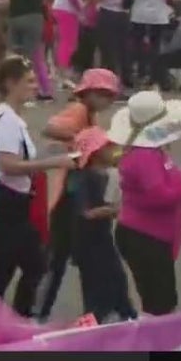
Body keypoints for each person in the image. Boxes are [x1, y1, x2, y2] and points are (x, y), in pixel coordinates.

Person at [0, 56, 77, 317]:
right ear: (11, 83)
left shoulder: (7, 118)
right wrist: (53, 162)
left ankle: (6, 322)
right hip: (6, 207)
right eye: (29, 81)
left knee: (7, 273)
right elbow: (8, 165)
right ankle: (16, 319)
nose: (34, 86)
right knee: (29, 267)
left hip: (10, 206)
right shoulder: (7, 121)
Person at [35, 68, 121, 319]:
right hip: (67, 196)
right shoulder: (79, 110)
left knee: (70, 259)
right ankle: (39, 313)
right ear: (88, 93)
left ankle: (49, 312)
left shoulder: (89, 114)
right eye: (102, 94)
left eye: (109, 95)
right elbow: (50, 128)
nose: (107, 101)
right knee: (59, 259)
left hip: (73, 192)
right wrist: (83, 138)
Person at [109, 90, 181, 315]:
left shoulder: (153, 151)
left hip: (151, 236)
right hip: (144, 238)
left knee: (161, 300)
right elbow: (160, 195)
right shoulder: (144, 156)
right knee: (160, 305)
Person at [65, 127, 137, 322]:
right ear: (95, 153)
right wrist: (117, 210)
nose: (112, 150)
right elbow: (87, 213)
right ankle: (103, 323)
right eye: (107, 147)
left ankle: (126, 315)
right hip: (89, 244)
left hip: (101, 239)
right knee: (100, 288)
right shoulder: (84, 177)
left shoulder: (102, 173)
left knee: (117, 281)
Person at [4, 0, 54, 102]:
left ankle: (16, 88)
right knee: (35, 55)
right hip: (33, 16)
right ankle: (44, 89)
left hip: (15, 16)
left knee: (16, 55)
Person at [130, 0, 181, 86]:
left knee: (138, 45)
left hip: (138, 14)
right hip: (159, 16)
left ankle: (140, 72)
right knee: (156, 46)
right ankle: (155, 75)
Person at [91, 0, 134, 88]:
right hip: (124, 14)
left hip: (108, 14)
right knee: (124, 48)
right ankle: (127, 77)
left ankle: (111, 79)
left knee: (108, 49)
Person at [51, 0, 91, 88]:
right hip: (67, 10)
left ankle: (60, 73)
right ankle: (63, 74)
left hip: (61, 7)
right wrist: (80, 9)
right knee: (68, 43)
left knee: (63, 42)